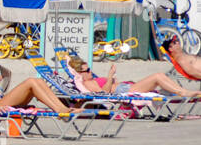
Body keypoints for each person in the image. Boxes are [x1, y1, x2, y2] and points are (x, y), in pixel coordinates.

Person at [67, 53, 200, 99]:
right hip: (125, 91)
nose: (90, 71)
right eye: (87, 70)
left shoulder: (91, 80)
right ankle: (183, 92)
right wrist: (110, 76)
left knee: (159, 79)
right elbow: (104, 93)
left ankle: (182, 92)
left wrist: (113, 79)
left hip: (125, 87)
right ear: (80, 73)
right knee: (158, 76)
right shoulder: (88, 84)